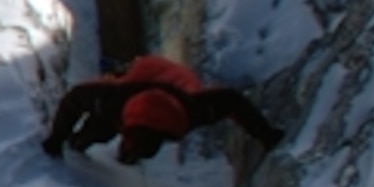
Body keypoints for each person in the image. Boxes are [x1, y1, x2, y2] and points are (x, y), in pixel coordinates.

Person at [43, 54, 284, 165]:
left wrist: (267, 135)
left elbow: (233, 101)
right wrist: (56, 138)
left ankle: (96, 146)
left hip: (172, 80)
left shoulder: (193, 110)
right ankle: (79, 143)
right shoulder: (113, 100)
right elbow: (74, 99)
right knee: (101, 129)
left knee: (102, 128)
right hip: (143, 70)